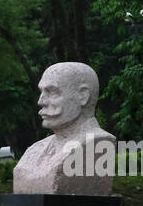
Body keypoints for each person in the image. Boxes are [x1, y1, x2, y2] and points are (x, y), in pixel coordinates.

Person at [11, 61, 115, 196]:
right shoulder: (35, 149)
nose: (41, 101)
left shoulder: (98, 144)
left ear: (83, 96)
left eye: (52, 92)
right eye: (42, 92)